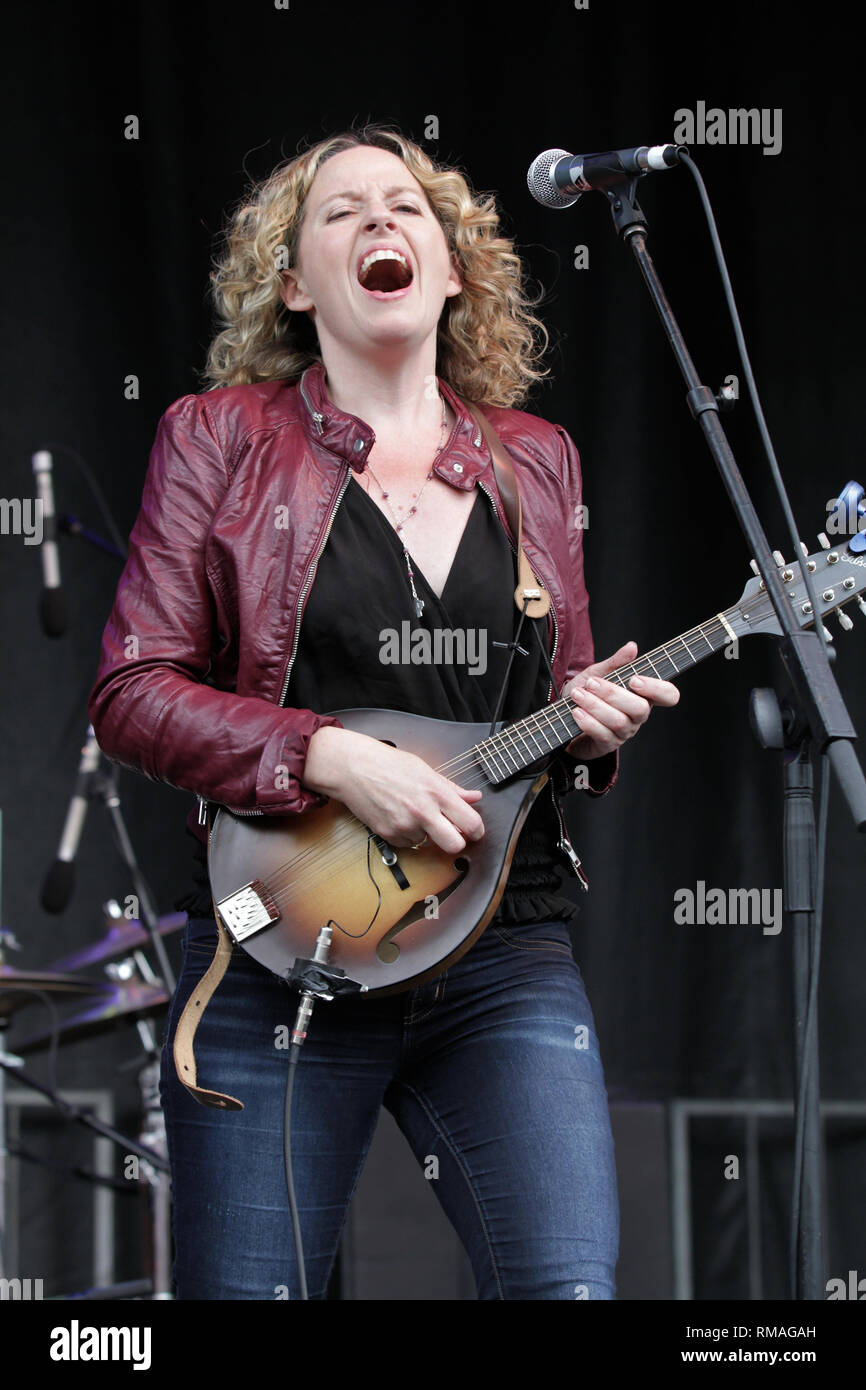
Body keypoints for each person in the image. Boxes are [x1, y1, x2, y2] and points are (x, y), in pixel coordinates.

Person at [88, 123, 679, 1301]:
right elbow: (131, 691)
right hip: (273, 937)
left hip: (499, 942)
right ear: (296, 282)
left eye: (407, 207)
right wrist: (325, 756)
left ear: (454, 268)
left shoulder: (535, 459)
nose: (380, 223)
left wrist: (590, 725)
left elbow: (552, 693)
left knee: (567, 1289)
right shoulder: (218, 439)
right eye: (340, 210)